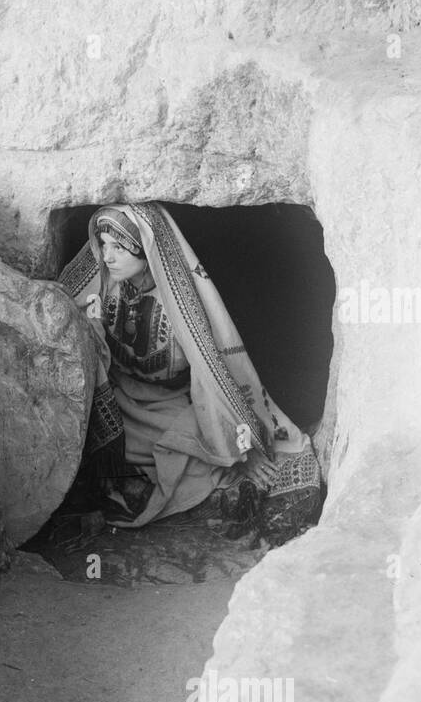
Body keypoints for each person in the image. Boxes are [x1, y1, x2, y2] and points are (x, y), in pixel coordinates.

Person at [59, 202, 322, 539]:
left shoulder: (180, 301)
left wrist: (240, 449)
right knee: (111, 450)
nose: (107, 257)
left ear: (146, 250)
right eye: (104, 245)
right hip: (123, 402)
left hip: (177, 403)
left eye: (119, 247)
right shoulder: (103, 283)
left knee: (205, 445)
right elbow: (65, 312)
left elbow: (211, 379)